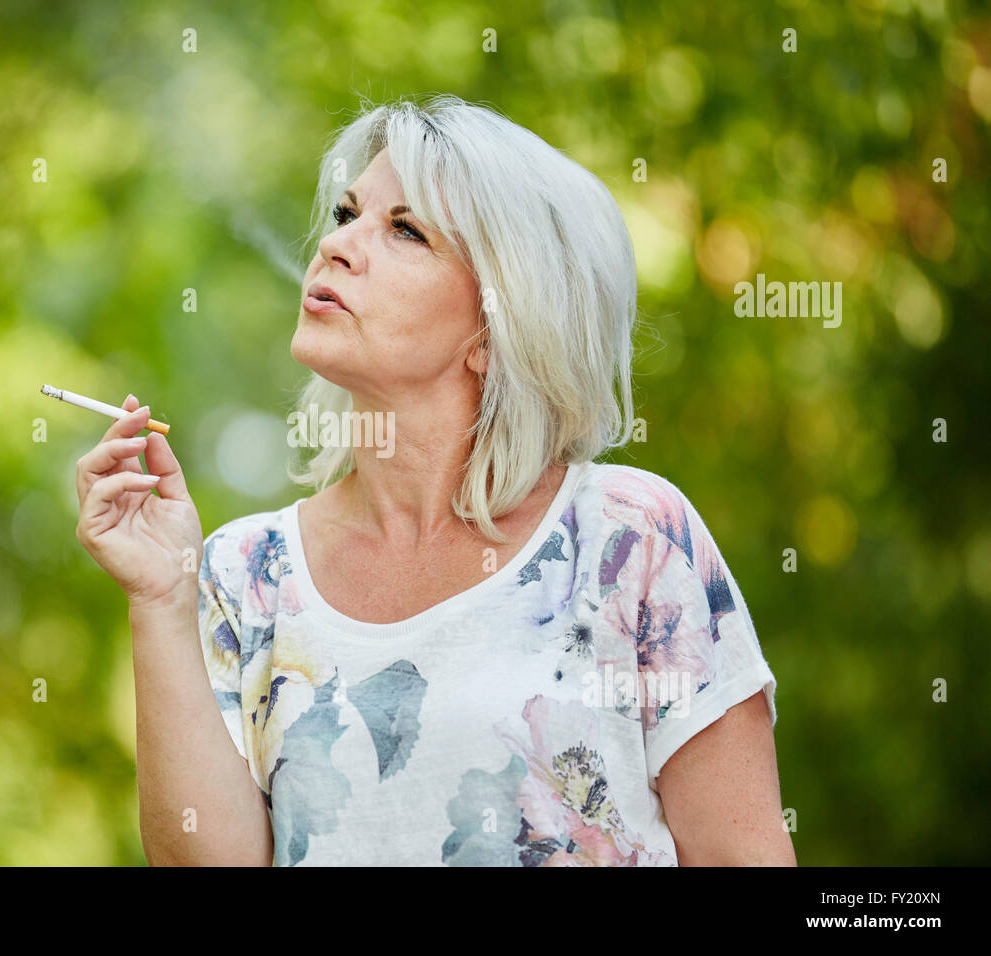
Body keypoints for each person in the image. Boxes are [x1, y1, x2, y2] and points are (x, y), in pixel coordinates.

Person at [76, 94, 794, 867]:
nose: (340, 246)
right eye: (347, 213)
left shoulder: (632, 543)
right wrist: (158, 600)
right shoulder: (240, 574)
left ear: (494, 330)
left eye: (406, 230)